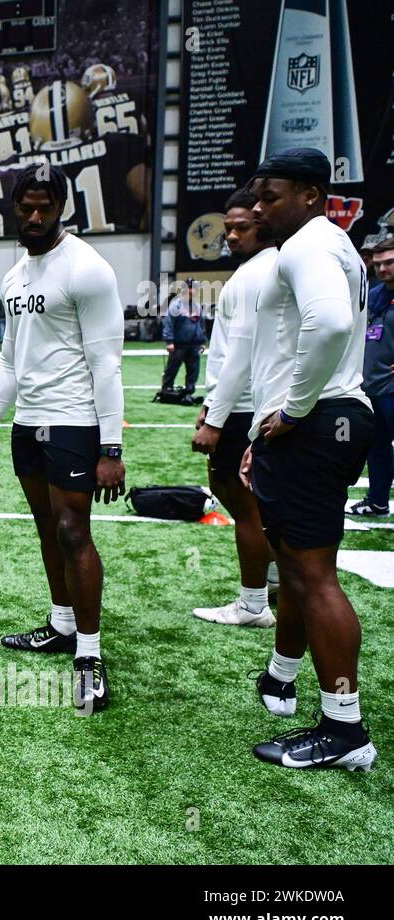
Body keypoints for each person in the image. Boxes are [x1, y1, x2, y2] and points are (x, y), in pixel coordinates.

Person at [0, 163, 126, 715]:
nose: (36, 217)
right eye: (26, 208)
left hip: (74, 420)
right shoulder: (15, 277)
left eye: (46, 207)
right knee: (45, 527)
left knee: (72, 530)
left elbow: (108, 363)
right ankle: (61, 625)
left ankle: (89, 655)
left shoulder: (87, 269)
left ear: (62, 207)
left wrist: (111, 448)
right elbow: (10, 357)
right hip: (27, 423)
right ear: (15, 208)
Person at [240, 148, 376, 770]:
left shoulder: (307, 245)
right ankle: (281, 678)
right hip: (328, 420)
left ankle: (345, 730)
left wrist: (291, 412)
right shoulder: (329, 242)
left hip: (317, 422)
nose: (260, 209)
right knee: (298, 567)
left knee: (314, 575)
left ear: (311, 195)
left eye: (271, 197)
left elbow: (327, 326)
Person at [190, 190, 279, 627]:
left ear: (263, 224)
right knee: (260, 504)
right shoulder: (272, 270)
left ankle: (253, 603)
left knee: (244, 506)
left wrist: (214, 417)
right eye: (227, 227)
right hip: (257, 404)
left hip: (242, 408)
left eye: (241, 226)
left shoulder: (252, 277)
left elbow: (237, 356)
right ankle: (275, 579)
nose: (230, 235)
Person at [347, 237, 394, 516]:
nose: (382, 269)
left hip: (392, 390)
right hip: (372, 388)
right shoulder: (374, 294)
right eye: (377, 264)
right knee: (376, 449)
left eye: (389, 262)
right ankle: (377, 501)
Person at [162, 279, 207, 398]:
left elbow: (201, 324)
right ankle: (167, 389)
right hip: (179, 344)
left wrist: (202, 342)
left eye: (196, 288)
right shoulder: (176, 305)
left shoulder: (197, 306)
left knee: (193, 370)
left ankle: (189, 392)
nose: (195, 290)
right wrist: (169, 341)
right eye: (192, 288)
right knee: (172, 368)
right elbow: (169, 323)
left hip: (194, 345)